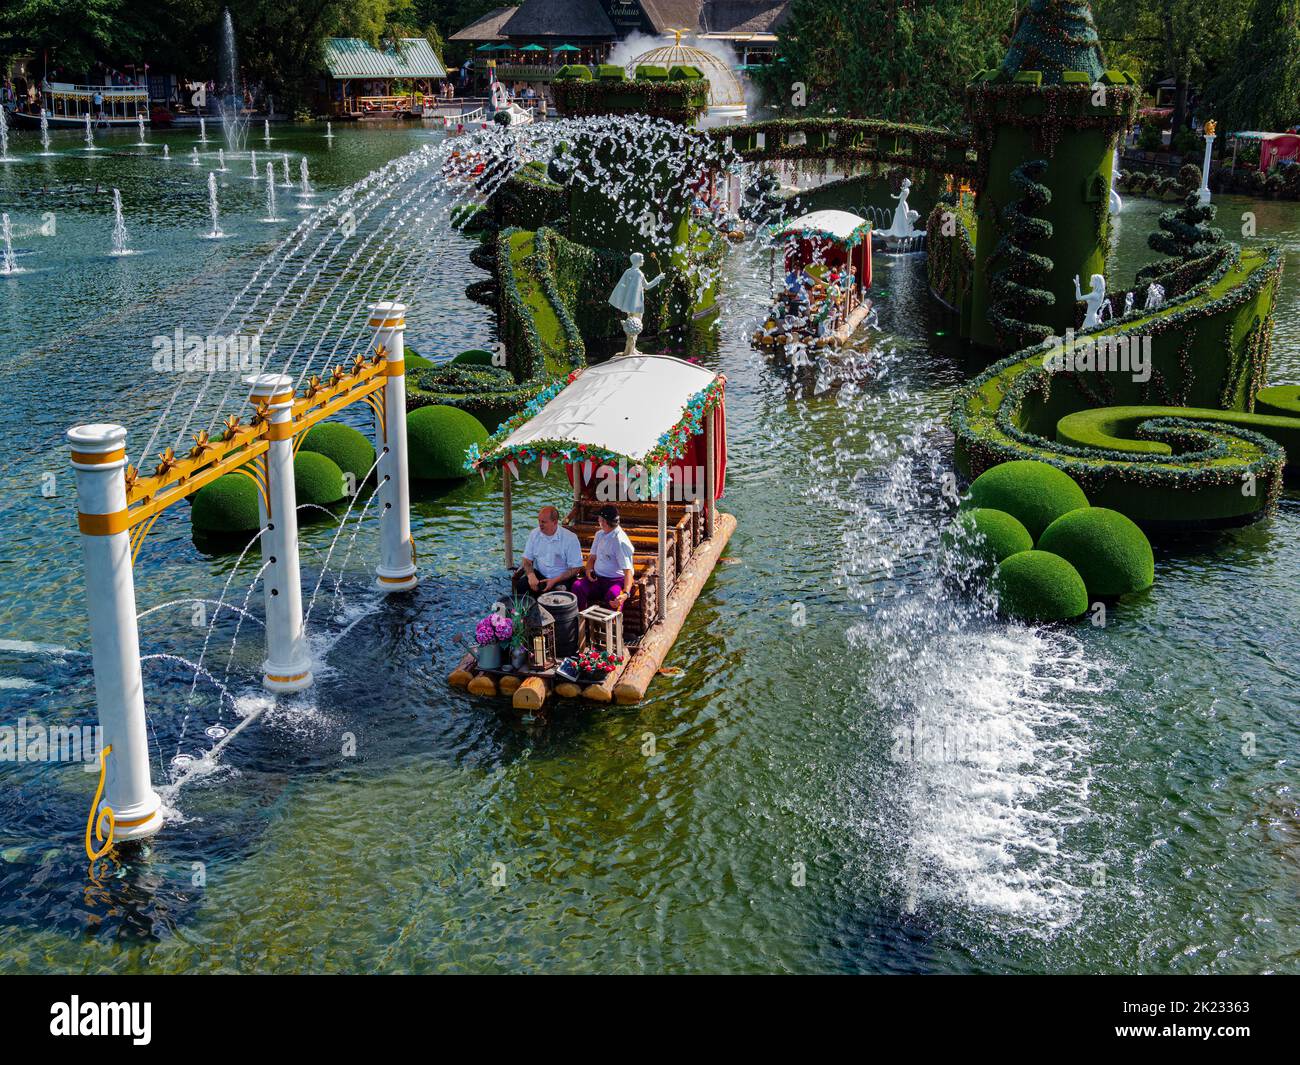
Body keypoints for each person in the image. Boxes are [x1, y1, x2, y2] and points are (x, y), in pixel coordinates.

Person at [573, 505, 635, 612]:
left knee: (613, 596)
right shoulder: (599, 534)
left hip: (616, 581)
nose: (598, 520)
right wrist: (588, 570)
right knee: (577, 586)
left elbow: (628, 571)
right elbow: (592, 557)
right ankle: (580, 619)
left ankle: (613, 626)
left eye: (599, 519)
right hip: (597, 579)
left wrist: (626, 593)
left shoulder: (620, 542)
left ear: (604, 522)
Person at [515, 505, 583, 596]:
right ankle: (526, 610)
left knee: (559, 595)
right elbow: (526, 559)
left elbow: (576, 568)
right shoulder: (534, 534)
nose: (540, 524)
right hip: (539, 575)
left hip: (561, 579)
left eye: (543, 522)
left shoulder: (570, 539)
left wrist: (554, 580)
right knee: (520, 586)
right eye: (539, 521)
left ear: (554, 522)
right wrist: (531, 576)